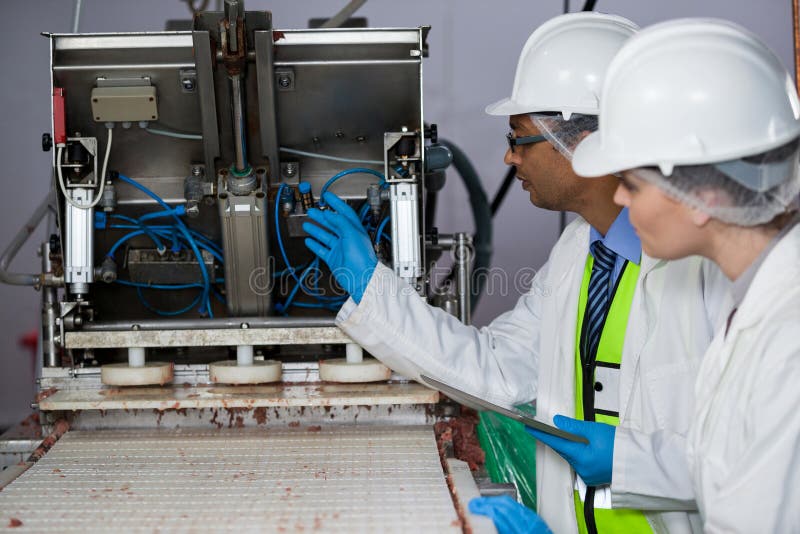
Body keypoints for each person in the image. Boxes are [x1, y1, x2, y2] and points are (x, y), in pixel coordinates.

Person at [303, 13, 731, 534]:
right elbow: (496, 371)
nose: (508, 157)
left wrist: (634, 464)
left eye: (520, 138)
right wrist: (372, 285)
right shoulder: (578, 252)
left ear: (584, 140)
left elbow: (760, 460)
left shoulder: (708, 271)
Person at [569, 18, 800, 533]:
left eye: (631, 183)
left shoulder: (789, 339)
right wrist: (631, 459)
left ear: (704, 197)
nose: (619, 199)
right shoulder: (754, 299)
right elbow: (723, 472)